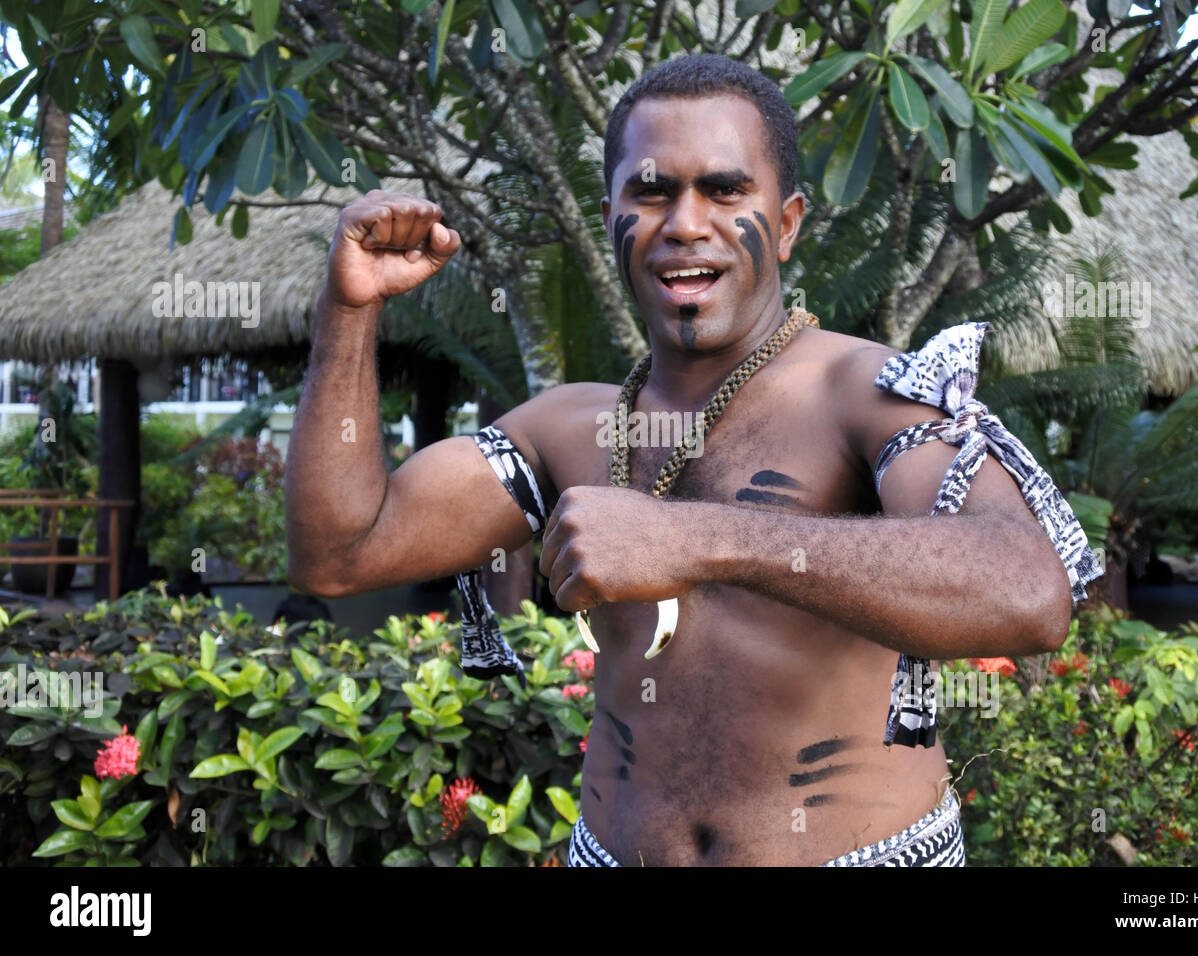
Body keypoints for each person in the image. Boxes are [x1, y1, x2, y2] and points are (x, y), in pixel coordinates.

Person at [286, 54, 1098, 866]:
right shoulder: (569, 429)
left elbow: (1028, 592)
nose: (684, 222)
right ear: (611, 215)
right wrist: (349, 310)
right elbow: (340, 552)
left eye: (723, 190)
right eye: (651, 192)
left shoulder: (866, 393)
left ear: (784, 223)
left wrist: (697, 541)